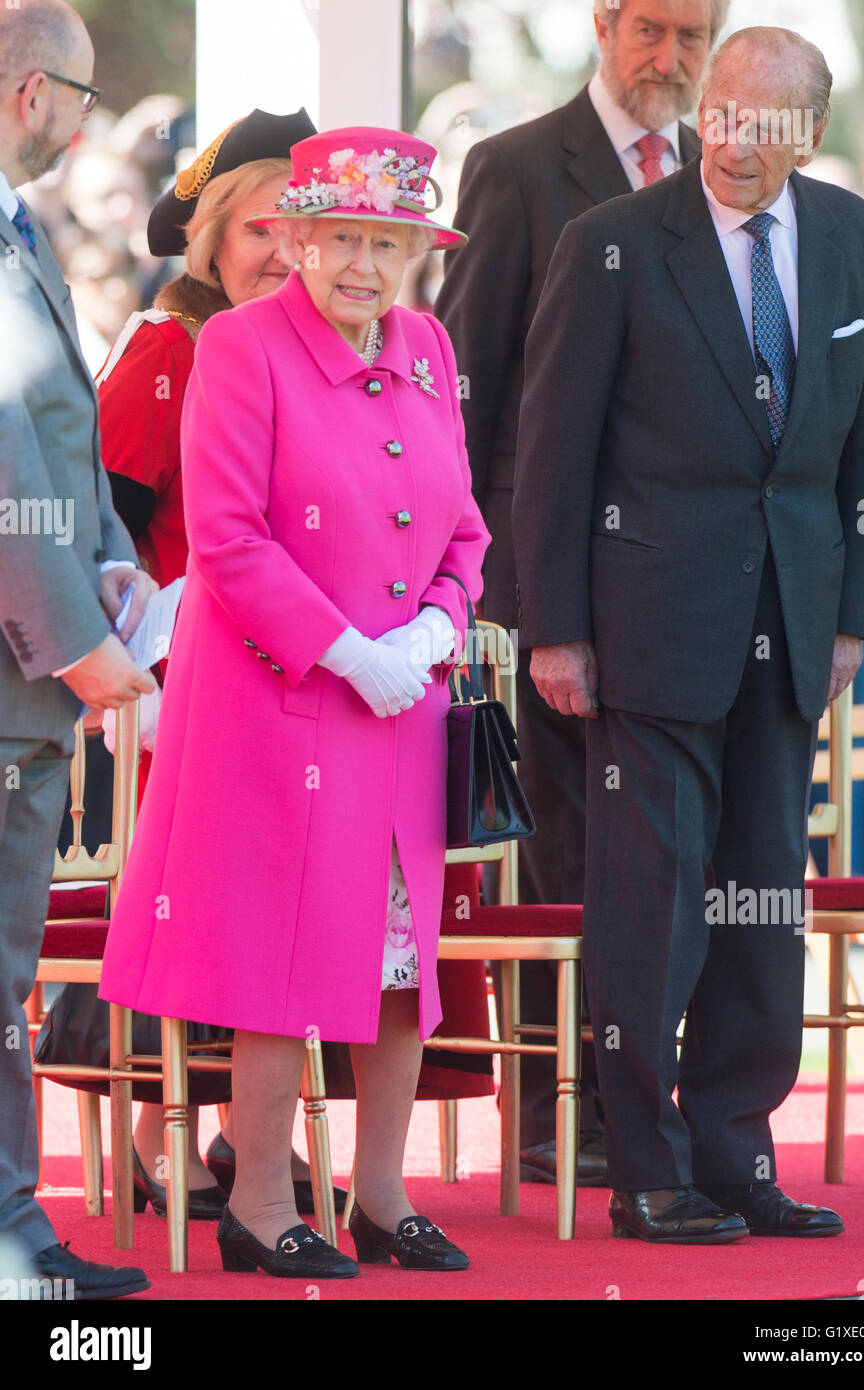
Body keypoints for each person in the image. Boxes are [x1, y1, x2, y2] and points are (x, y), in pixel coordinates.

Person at [512, 26, 864, 1243]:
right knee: (656, 899)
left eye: (766, 125)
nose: (734, 142)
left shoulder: (859, 241)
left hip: (790, 625)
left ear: (811, 135)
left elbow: (859, 444)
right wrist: (557, 630)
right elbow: (552, 453)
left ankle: (737, 1150)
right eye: (721, 115)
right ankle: (645, 1165)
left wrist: (845, 621)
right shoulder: (613, 244)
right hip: (647, 627)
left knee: (759, 899)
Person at [99, 126, 490, 1278]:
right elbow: (223, 536)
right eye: (341, 238)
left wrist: (435, 623)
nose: (363, 264)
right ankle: (259, 1197)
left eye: (389, 242)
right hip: (276, 702)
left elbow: (463, 527)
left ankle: (381, 1192)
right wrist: (341, 648)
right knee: (276, 952)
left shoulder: (425, 343)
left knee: (397, 957)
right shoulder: (238, 345)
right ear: (296, 236)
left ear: (418, 250)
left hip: (401, 700)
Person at [435, 0, 729, 1187]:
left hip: (691, 601)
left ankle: (646, 1111)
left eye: (693, 37)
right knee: (566, 859)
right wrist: (497, 592)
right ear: (603, 24)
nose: (669, 58)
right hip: (550, 593)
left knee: (669, 867)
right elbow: (469, 382)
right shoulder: (513, 167)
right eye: (650, 29)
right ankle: (562, 1122)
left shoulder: (724, 175)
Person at [54, 109, 340, 1222]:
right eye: (261, 228)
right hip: (184, 692)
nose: (283, 251)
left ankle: (231, 1136)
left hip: (291, 678)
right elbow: (101, 520)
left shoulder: (313, 351)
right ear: (212, 235)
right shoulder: (170, 350)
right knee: (212, 912)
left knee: (273, 912)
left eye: (299, 230)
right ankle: (160, 1130)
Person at [0, 0, 157, 1297]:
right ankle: (10, 1238)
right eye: (80, 95)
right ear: (26, 92)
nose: (85, 118)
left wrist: (108, 550)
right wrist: (76, 648)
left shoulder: (22, 226)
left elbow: (62, 429)